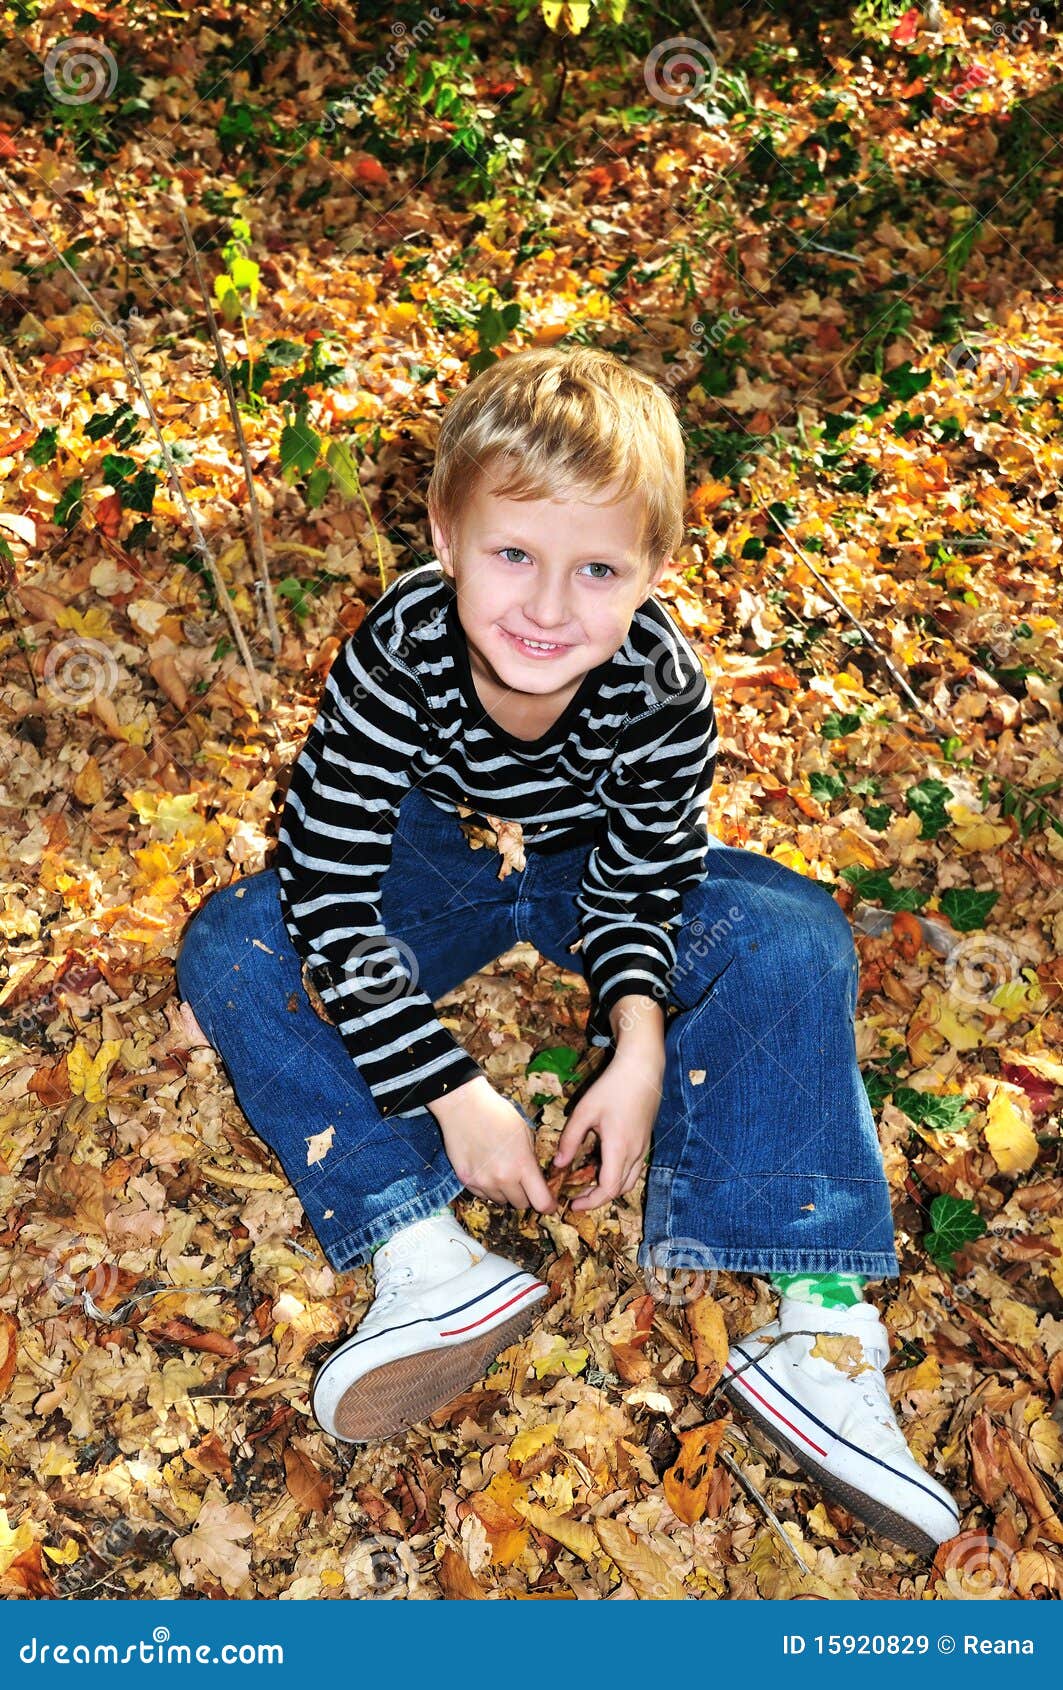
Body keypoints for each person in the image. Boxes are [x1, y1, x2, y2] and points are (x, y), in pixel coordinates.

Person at [175, 346, 960, 1556]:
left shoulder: (660, 681)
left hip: (591, 878)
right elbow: (329, 884)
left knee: (796, 936)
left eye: (596, 569)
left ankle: (816, 1324)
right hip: (431, 863)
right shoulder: (400, 647)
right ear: (446, 537)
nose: (547, 609)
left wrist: (637, 1036)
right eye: (512, 555)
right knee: (232, 945)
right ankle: (422, 1250)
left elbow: (648, 875)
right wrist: (452, 1089)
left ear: (653, 570)